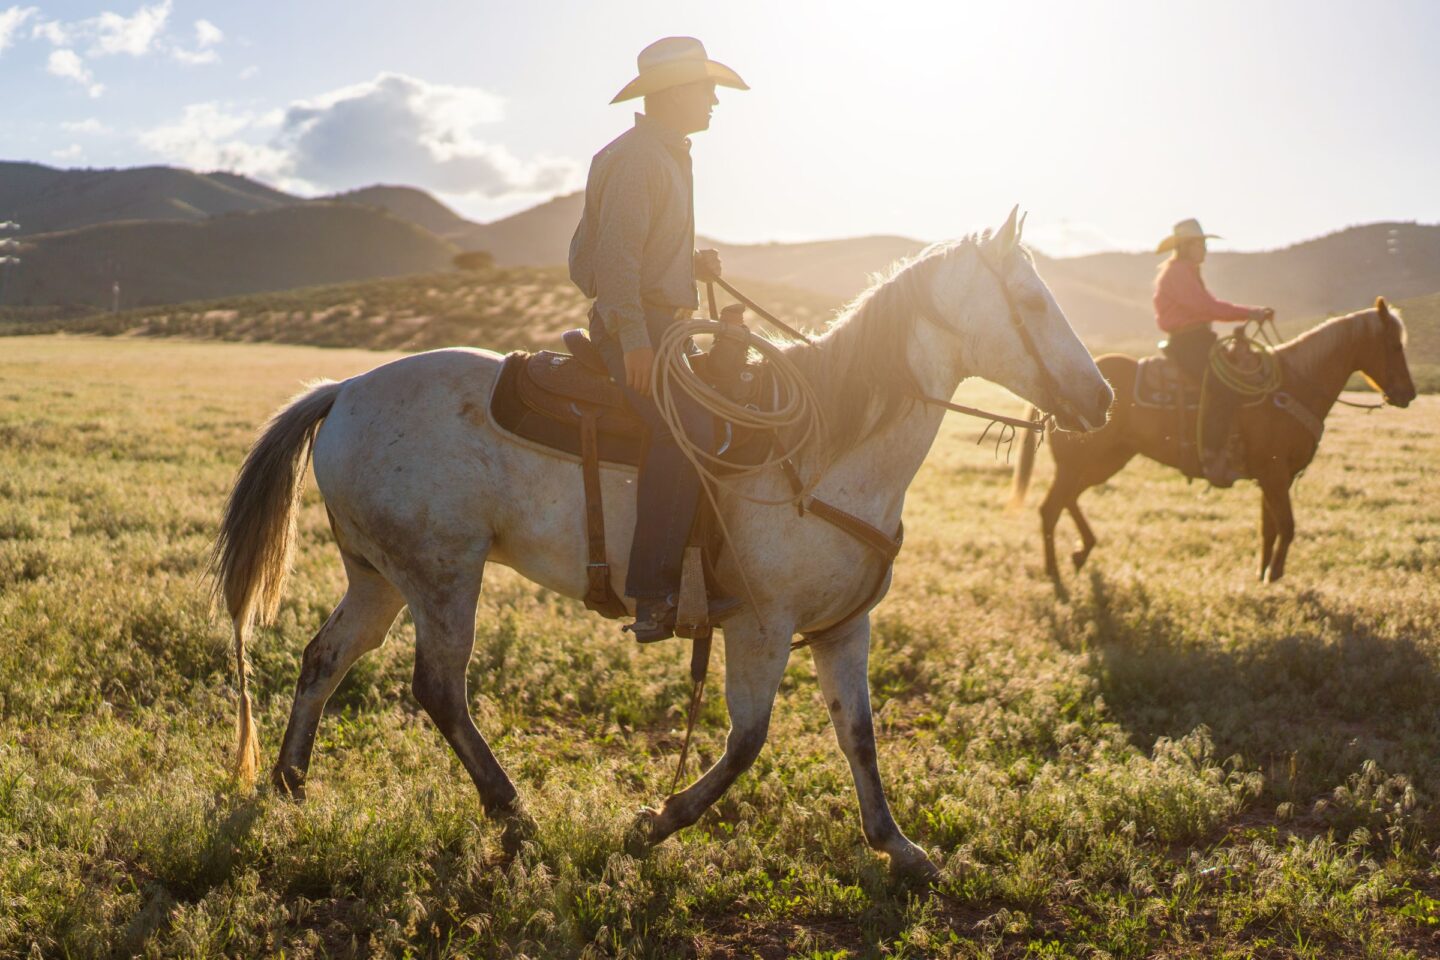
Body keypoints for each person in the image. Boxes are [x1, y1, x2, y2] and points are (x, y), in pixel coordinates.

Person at [568, 37, 747, 641]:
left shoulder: (666, 153)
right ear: (675, 93)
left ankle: (704, 574)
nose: (716, 99)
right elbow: (615, 261)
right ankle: (655, 592)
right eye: (707, 87)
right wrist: (636, 340)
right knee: (688, 429)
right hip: (637, 328)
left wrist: (684, 263)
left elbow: (638, 246)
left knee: (722, 418)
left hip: (660, 323)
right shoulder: (644, 158)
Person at [1153, 218, 1273, 487]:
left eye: (1205, 243)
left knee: (1234, 378)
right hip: (1189, 344)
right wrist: (1250, 312)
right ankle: (1211, 455)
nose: (1205, 249)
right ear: (1186, 246)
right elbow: (1208, 307)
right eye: (1200, 243)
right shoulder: (1178, 272)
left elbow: (1207, 308)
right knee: (1224, 387)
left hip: (1198, 340)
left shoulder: (1186, 270)